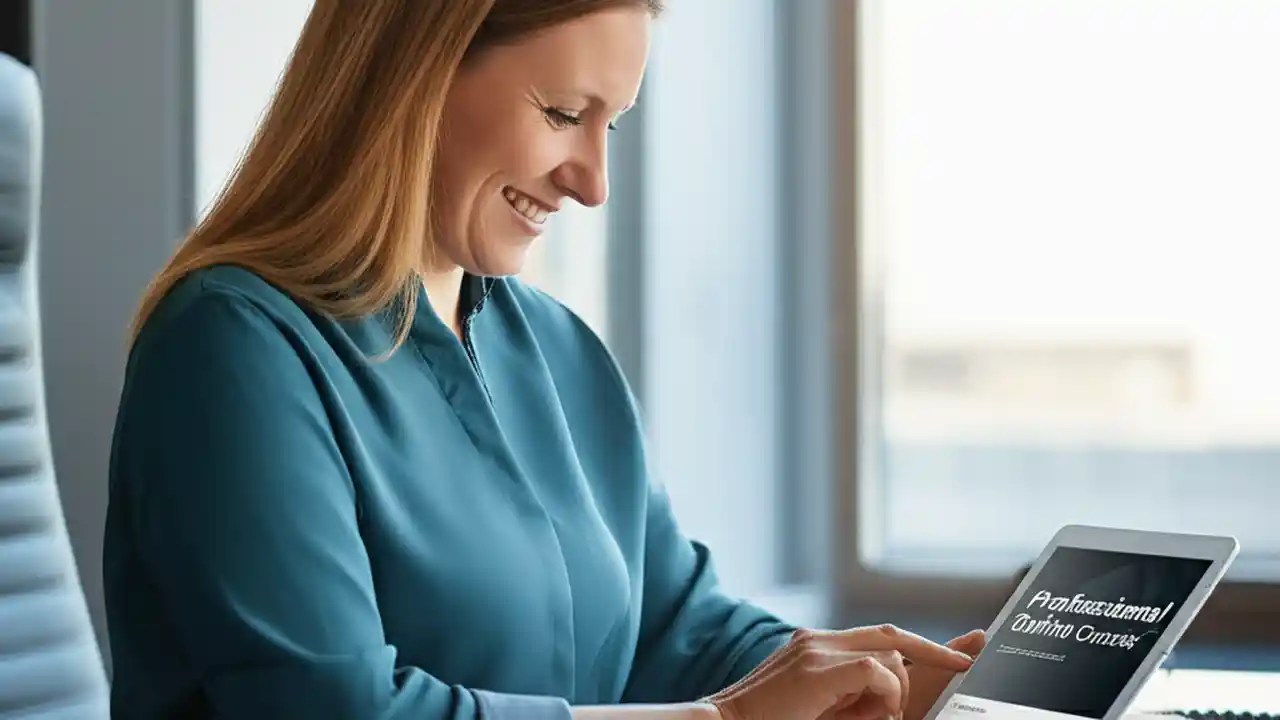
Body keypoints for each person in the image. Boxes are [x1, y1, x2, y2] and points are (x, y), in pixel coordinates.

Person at [103, 1, 985, 718]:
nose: (593, 182)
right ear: (413, 75)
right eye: (564, 114)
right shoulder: (231, 346)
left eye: (613, 124)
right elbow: (340, 710)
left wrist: (895, 686)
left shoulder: (559, 351)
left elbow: (675, 628)